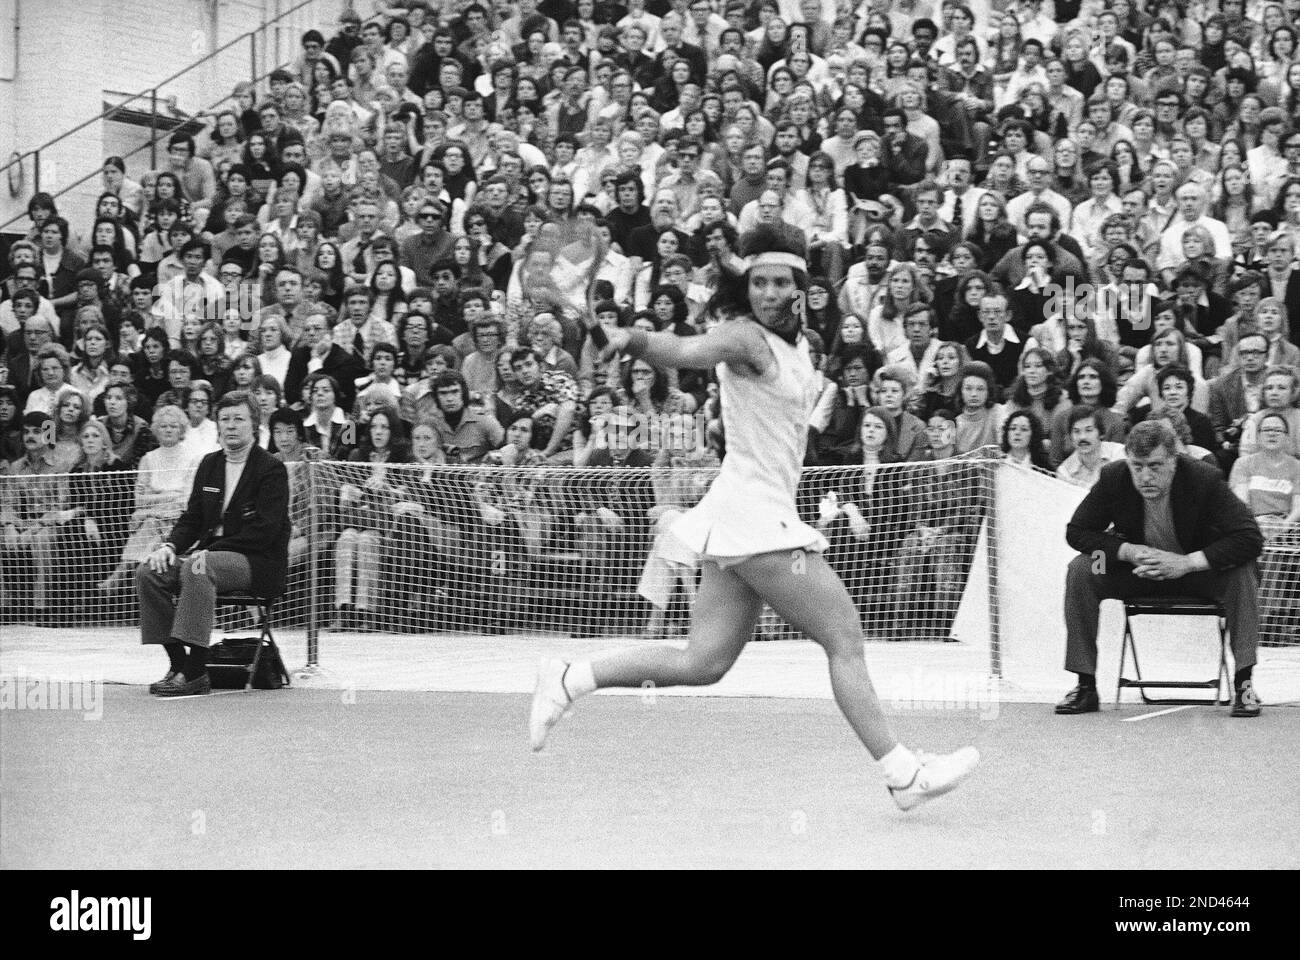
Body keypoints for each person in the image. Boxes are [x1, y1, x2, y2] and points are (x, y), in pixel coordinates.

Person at [528, 226, 979, 810]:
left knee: (703, 662)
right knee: (843, 637)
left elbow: (763, 281)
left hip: (741, 516)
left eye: (780, 283)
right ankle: (902, 773)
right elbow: (687, 351)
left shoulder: (796, 340)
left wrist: (733, 261)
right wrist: (633, 339)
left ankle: (569, 678)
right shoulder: (744, 339)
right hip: (755, 520)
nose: (768, 292)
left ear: (801, 290)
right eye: (758, 283)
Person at [1057, 420, 1265, 719]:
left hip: (1196, 573)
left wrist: (1186, 562)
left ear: (1174, 461)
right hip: (1137, 572)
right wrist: (1127, 552)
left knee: (1242, 571)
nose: (1145, 476)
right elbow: (1076, 532)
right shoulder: (1114, 477)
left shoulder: (1203, 478)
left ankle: (1244, 683)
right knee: (1082, 569)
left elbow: (1250, 537)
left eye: (1155, 466)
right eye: (1137, 466)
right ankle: (1085, 684)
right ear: (1126, 460)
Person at [135, 391, 290, 698]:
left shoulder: (271, 468)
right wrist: (169, 547)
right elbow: (192, 518)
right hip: (208, 557)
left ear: (255, 425)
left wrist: (211, 550)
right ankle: (180, 665)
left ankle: (196, 671)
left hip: (257, 560)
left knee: (197, 565)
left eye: (239, 419)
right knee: (149, 571)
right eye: (225, 419)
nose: (230, 426)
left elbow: (264, 530)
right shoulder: (209, 464)